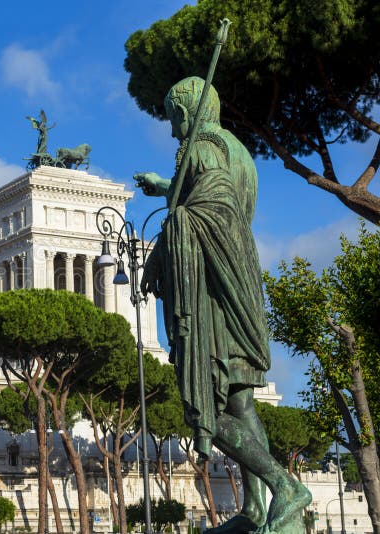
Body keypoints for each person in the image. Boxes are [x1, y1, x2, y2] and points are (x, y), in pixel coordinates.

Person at [135, 76, 311, 534]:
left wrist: (161, 248)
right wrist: (170, 191)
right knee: (241, 402)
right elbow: (223, 206)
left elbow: (213, 208)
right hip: (239, 280)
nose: (175, 131)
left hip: (212, 293)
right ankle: (255, 510)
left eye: (175, 118)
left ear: (189, 111)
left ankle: (285, 487)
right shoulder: (238, 152)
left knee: (208, 408)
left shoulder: (201, 148)